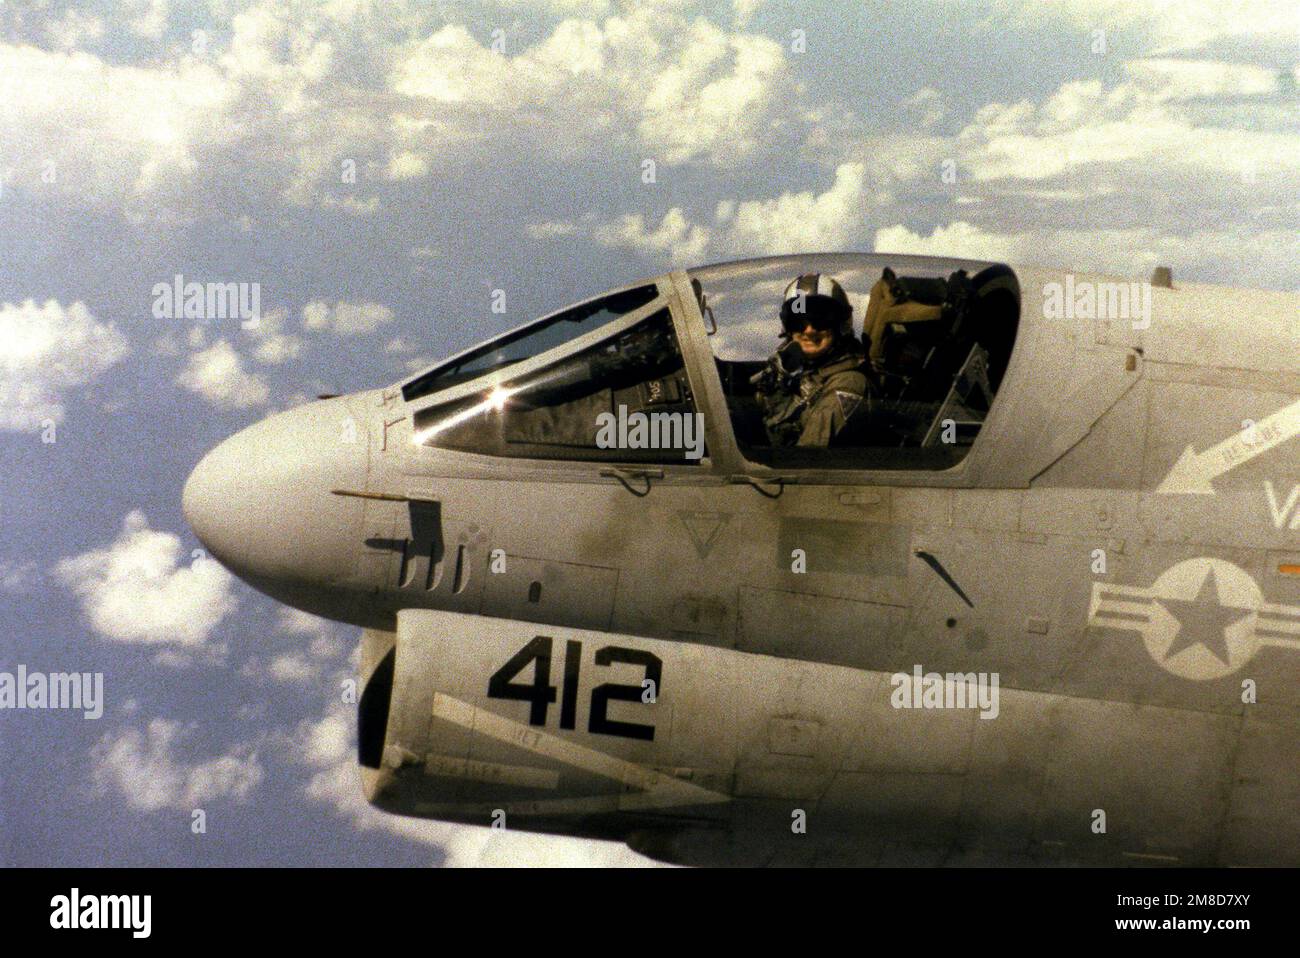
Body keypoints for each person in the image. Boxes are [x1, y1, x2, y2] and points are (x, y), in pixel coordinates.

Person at [754, 273, 871, 447]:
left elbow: (807, 456)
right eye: (798, 321)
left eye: (820, 320)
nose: (808, 330)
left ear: (840, 325)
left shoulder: (849, 383)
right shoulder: (792, 374)